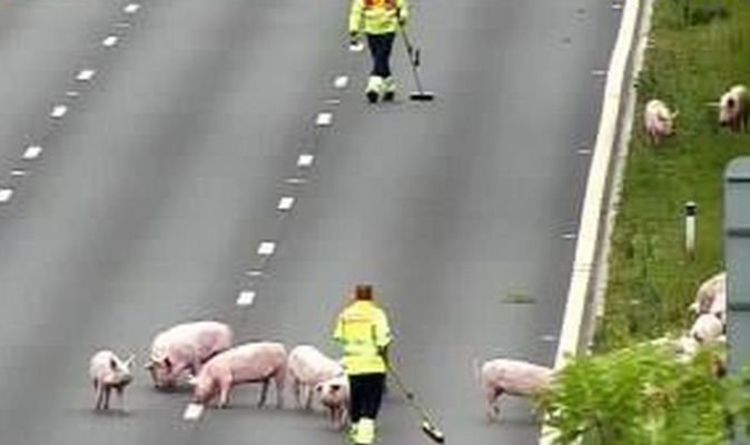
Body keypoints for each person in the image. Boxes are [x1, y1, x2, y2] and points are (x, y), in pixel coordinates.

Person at [333, 284, 392, 445]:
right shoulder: (377, 314)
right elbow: (383, 341)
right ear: (372, 296)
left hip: (353, 366)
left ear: (355, 296)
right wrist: (386, 360)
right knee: (371, 403)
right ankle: (364, 439)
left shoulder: (346, 315)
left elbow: (339, 336)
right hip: (374, 365)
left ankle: (355, 429)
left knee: (356, 399)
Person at [349, 0, 409, 104]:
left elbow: (402, 6)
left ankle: (373, 86)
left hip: (389, 28)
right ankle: (389, 86)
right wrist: (354, 28)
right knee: (379, 58)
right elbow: (356, 11)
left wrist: (402, 16)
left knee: (381, 56)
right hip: (371, 29)